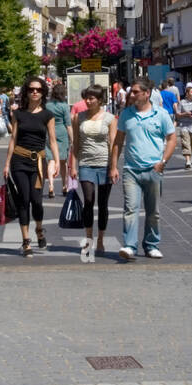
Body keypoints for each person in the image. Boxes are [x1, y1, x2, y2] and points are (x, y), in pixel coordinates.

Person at [111, 78, 176, 260]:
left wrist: (163, 161)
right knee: (130, 209)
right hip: (131, 169)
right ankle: (130, 245)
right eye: (131, 92)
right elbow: (118, 141)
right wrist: (113, 166)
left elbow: (171, 138)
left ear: (147, 94)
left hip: (154, 169)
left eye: (135, 92)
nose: (131, 95)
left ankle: (151, 245)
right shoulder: (126, 114)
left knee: (153, 211)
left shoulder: (161, 114)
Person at [3, 77, 59, 257]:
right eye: (31, 89)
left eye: (39, 90)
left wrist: (56, 161)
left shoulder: (47, 115)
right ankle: (26, 241)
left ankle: (40, 229)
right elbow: (13, 139)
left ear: (43, 93)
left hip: (39, 162)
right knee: (23, 199)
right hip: (19, 159)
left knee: (37, 200)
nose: (35, 92)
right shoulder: (18, 114)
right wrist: (6, 163)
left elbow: (52, 140)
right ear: (26, 92)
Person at [68, 85, 115, 260]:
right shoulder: (78, 117)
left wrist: (114, 166)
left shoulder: (110, 118)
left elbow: (113, 144)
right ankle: (89, 239)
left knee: (103, 203)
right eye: (86, 98)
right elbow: (75, 144)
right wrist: (73, 166)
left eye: (92, 98)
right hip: (86, 163)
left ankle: (101, 238)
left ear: (100, 100)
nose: (88, 101)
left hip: (105, 163)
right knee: (88, 200)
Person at [45, 82, 73, 198]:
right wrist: (72, 139)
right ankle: (64, 186)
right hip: (62, 132)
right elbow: (68, 124)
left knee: (51, 160)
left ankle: (51, 185)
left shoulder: (47, 105)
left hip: (49, 132)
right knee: (63, 161)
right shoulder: (64, 106)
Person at [174, 85, 192, 170]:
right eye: (191, 92)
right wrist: (185, 114)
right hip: (184, 126)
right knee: (185, 142)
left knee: (191, 144)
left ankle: (189, 159)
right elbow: (178, 114)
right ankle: (187, 161)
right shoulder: (182, 102)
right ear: (187, 93)